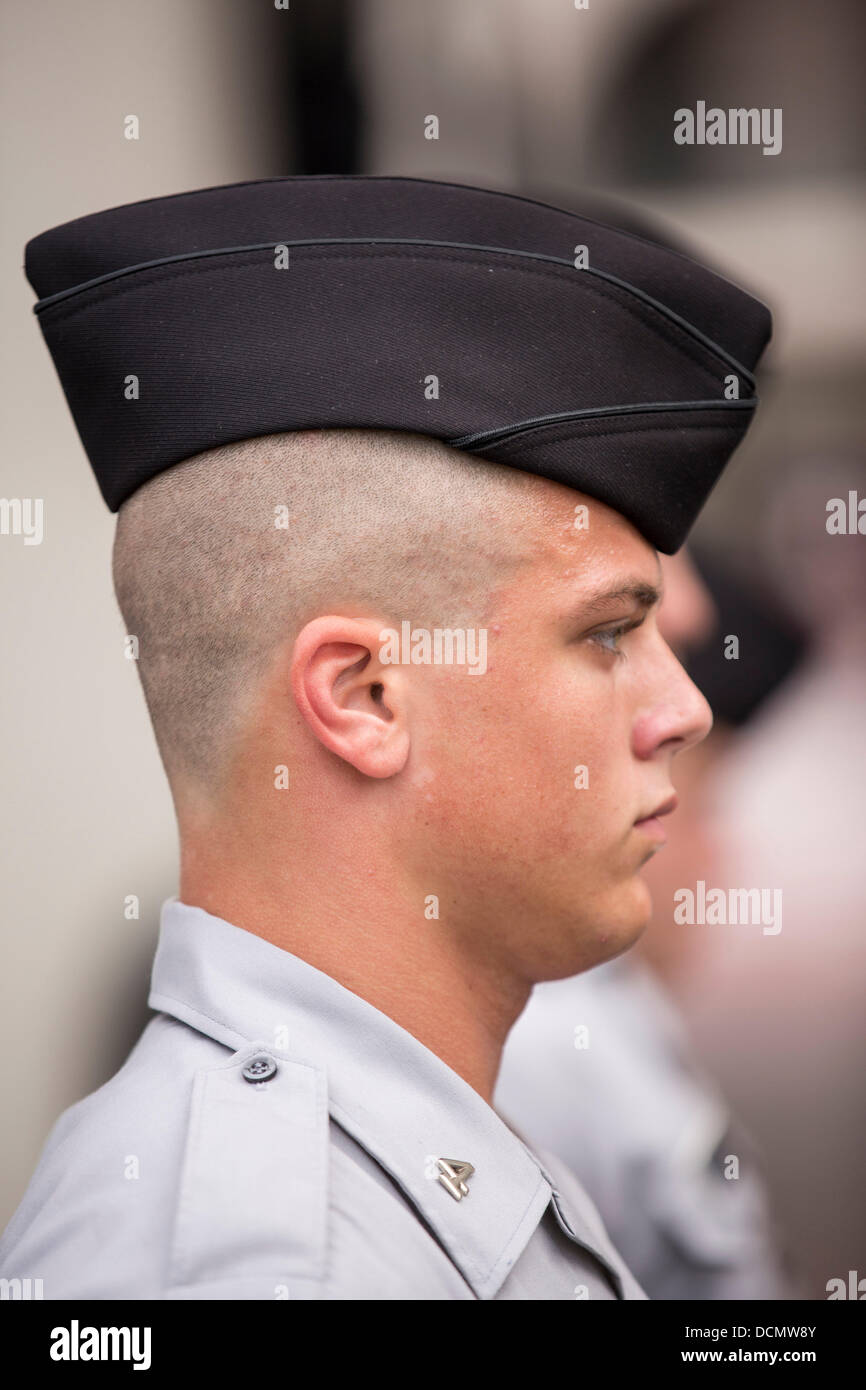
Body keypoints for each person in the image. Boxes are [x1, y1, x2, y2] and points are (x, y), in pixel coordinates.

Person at [0, 175, 772, 1299]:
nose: (684, 710)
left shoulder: (396, 1160)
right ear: (361, 697)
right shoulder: (260, 1265)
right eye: (607, 633)